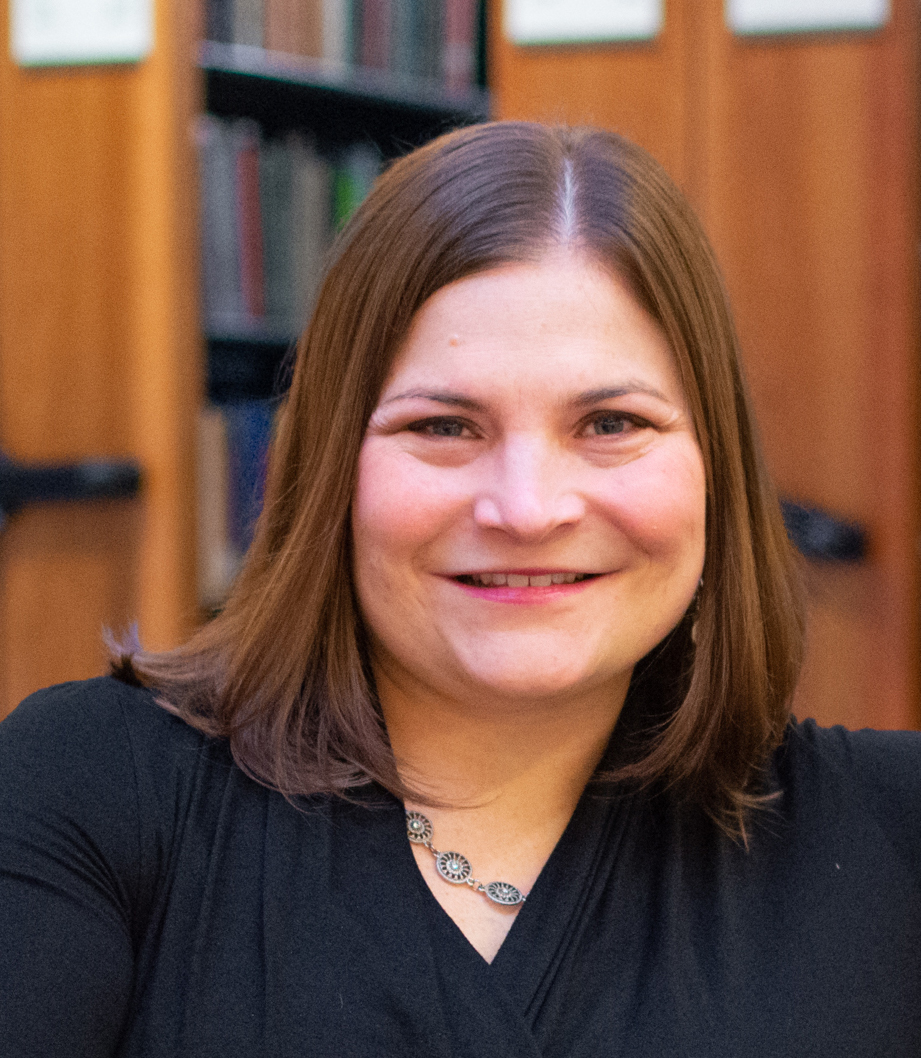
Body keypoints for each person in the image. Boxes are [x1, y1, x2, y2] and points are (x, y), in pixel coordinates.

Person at [1, 121, 919, 1057]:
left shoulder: (893, 833)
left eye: (610, 423)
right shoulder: (88, 786)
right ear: (329, 466)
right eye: (443, 427)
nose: (526, 509)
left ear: (715, 465)